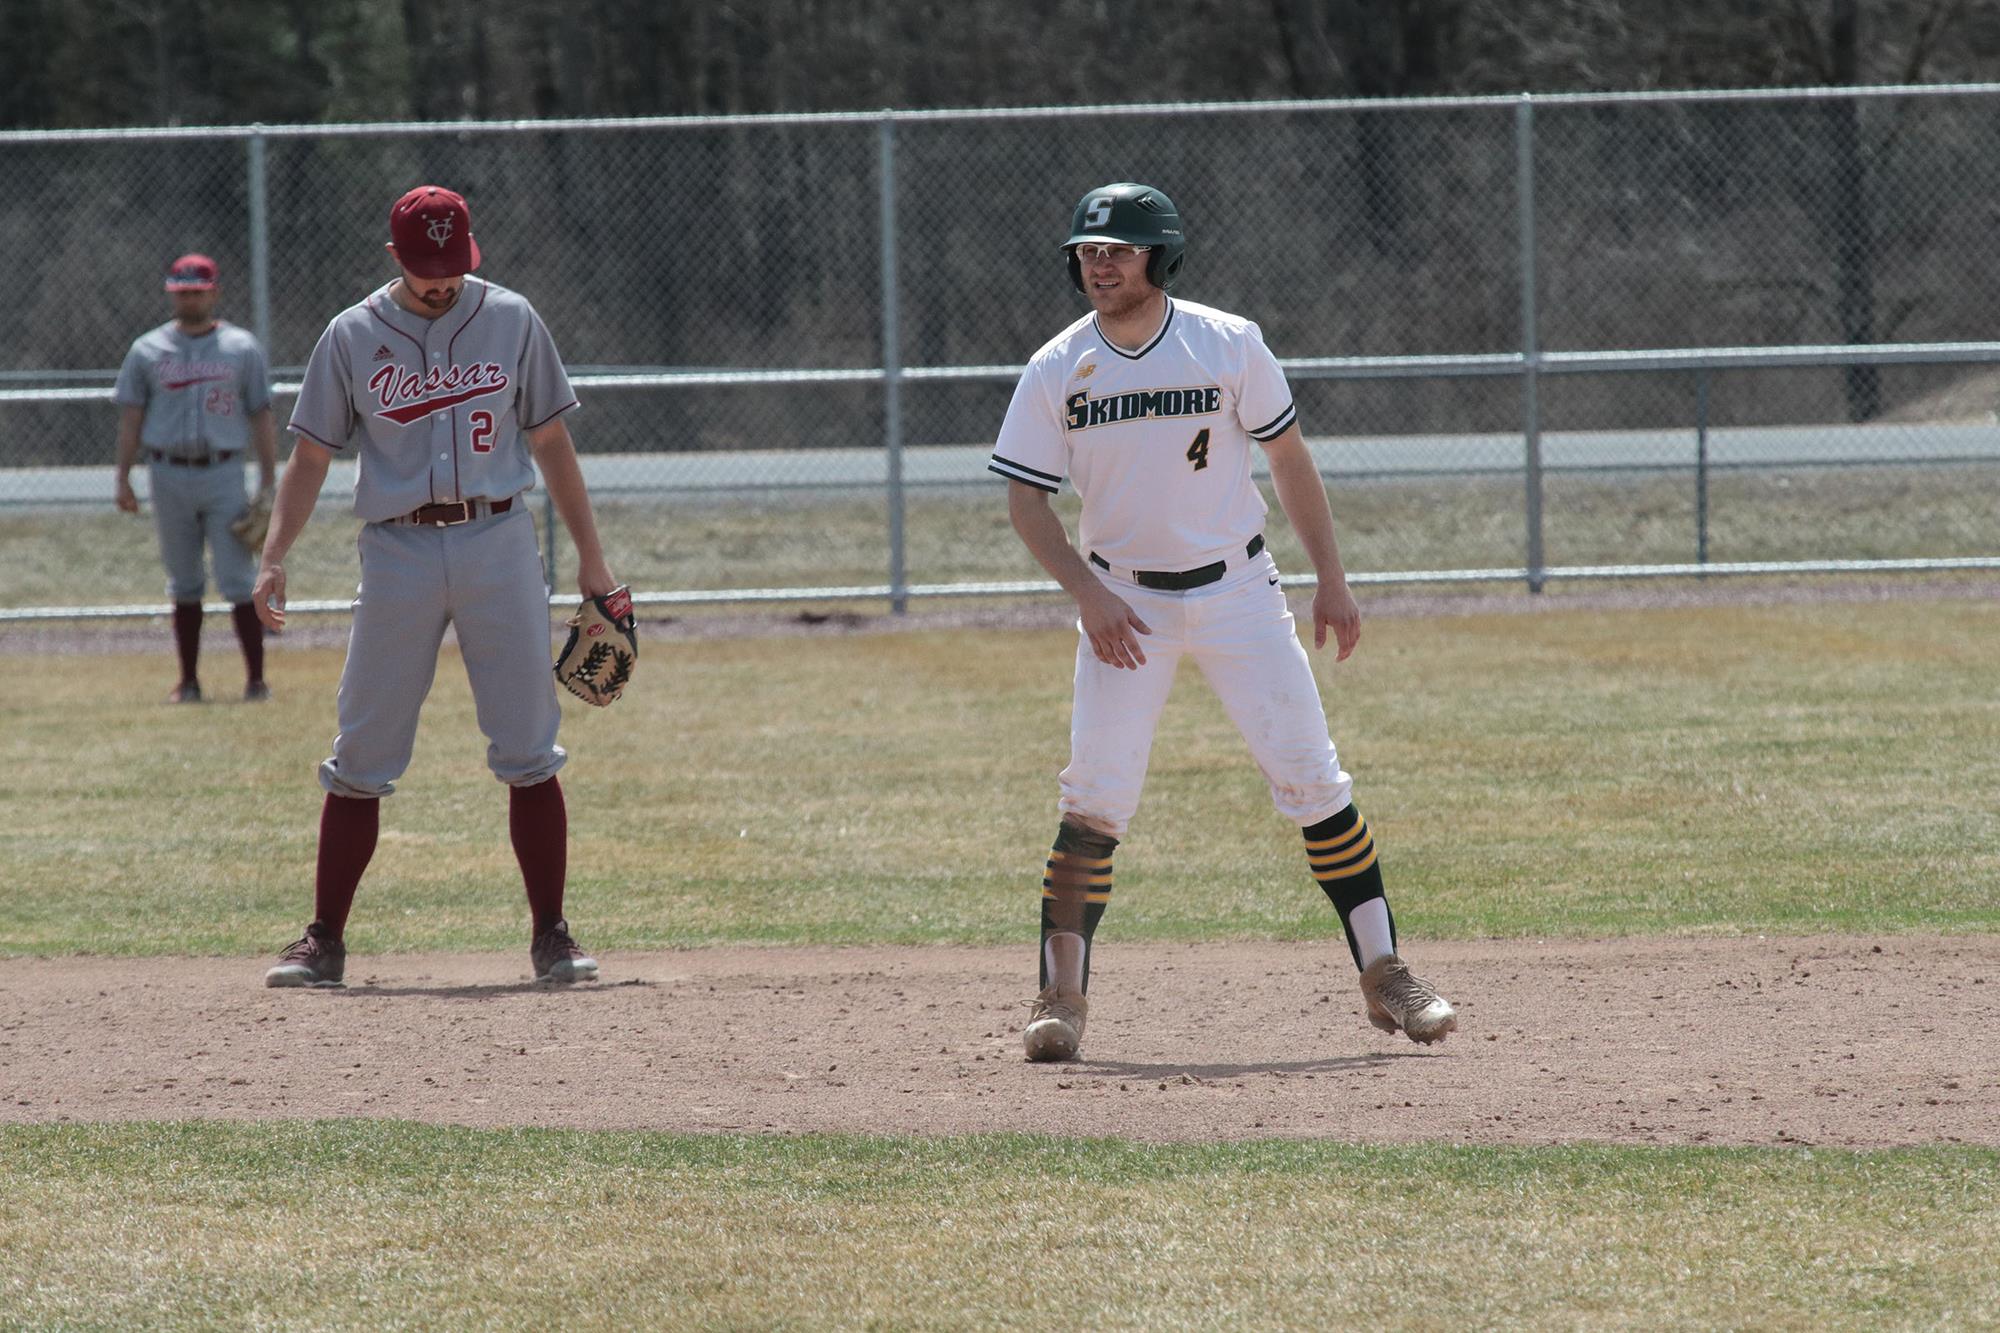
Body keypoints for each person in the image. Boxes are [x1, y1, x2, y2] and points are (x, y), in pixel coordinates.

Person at [988, 182, 1458, 1062]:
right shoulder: (1058, 366)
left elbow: (1287, 459)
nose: (1099, 264)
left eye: (1118, 250)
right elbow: (1026, 500)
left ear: (1158, 258)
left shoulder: (1226, 341)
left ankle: (1388, 973)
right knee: (1093, 797)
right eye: (1088, 251)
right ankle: (1060, 997)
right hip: (1126, 603)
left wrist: (1332, 579)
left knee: (1315, 782)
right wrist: (1089, 596)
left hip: (1240, 592)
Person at [253, 185, 618, 989]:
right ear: (396, 258)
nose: (441, 283)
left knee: (530, 743)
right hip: (399, 551)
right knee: (363, 750)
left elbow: (551, 439)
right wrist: (276, 551)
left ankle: (552, 934)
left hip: (498, 538)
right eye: (425, 270)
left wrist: (593, 559)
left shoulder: (513, 318)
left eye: (452, 267)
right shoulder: (351, 335)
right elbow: (311, 454)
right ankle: (324, 939)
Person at [113, 253, 276, 703]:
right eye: (181, 291)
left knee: (237, 579)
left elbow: (261, 415)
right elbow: (131, 418)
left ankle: (256, 681)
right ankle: (188, 682)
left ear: (214, 292)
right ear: (172, 294)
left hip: (223, 470)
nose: (189, 298)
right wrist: (123, 477)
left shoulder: (241, 348)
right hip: (167, 470)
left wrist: (268, 478)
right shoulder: (147, 350)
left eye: (197, 290)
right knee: (183, 580)